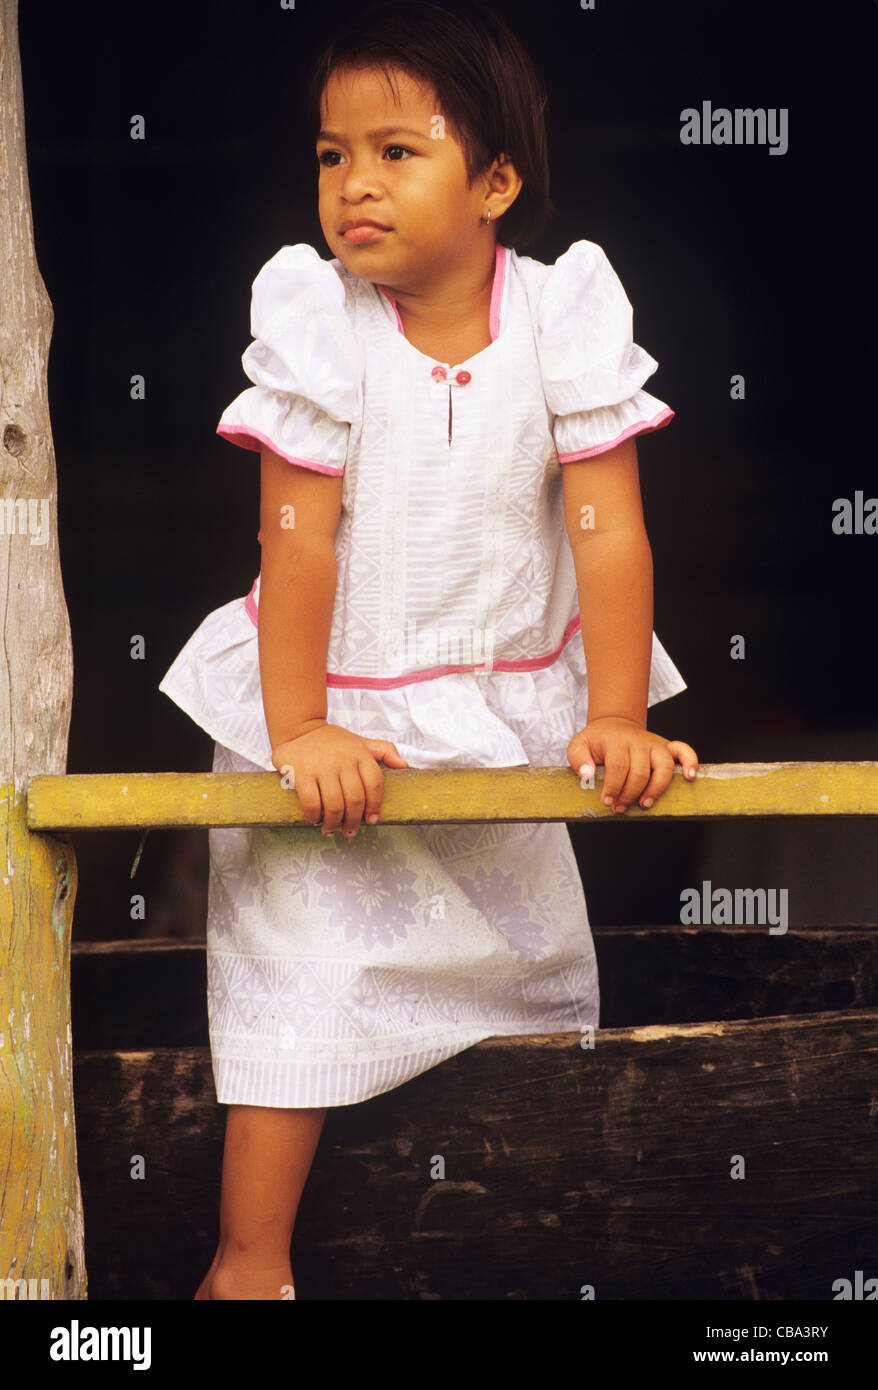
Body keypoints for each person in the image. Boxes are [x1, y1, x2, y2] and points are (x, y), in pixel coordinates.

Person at [158, 0, 699, 1301]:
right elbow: (296, 540)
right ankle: (250, 1263)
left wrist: (615, 711)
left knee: (522, 972)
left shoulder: (560, 317)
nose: (354, 184)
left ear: (495, 180)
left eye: (396, 151)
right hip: (326, 720)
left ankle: (524, 1245)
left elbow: (607, 532)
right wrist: (298, 732)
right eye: (333, 154)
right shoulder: (318, 325)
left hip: (498, 717)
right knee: (300, 982)